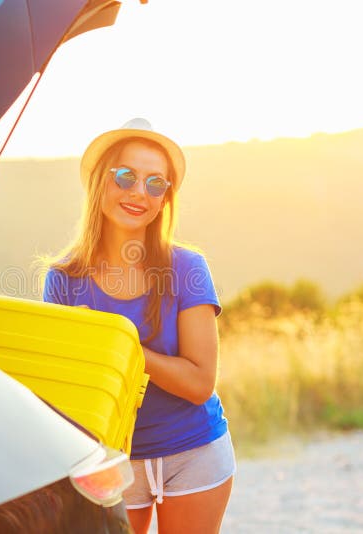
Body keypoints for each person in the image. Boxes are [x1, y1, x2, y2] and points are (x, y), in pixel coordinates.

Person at [42, 119, 235, 534]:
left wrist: (121, 348)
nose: (138, 193)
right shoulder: (63, 279)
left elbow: (201, 382)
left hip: (194, 453)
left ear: (165, 199)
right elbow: (67, 391)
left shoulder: (188, 268)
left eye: (155, 184)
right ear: (101, 182)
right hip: (110, 461)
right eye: (126, 176)